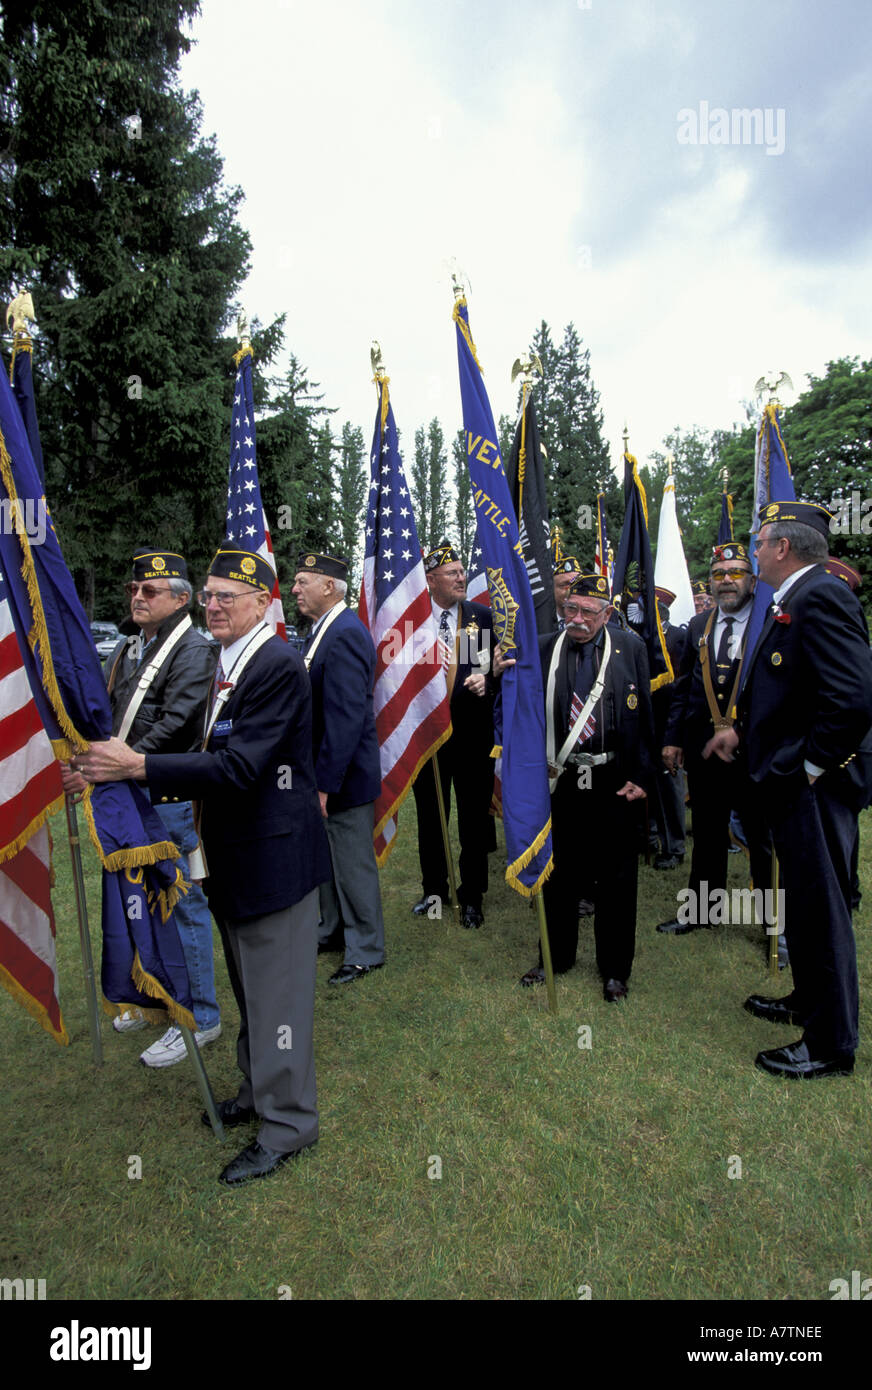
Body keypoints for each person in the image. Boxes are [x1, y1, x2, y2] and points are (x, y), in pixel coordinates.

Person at [77, 547, 331, 1183]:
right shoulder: (229, 661)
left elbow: (241, 769)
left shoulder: (272, 664)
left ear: (263, 603)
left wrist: (137, 766)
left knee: (278, 1004)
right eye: (210, 595)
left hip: (273, 863)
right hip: (234, 859)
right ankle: (256, 1095)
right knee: (252, 992)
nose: (213, 606)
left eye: (227, 597)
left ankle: (289, 1125)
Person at [706, 502, 872, 1079]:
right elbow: (792, 691)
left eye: (759, 542)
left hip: (816, 789)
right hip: (791, 783)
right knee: (802, 901)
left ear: (782, 547)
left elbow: (851, 699)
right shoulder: (798, 596)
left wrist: (810, 768)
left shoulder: (822, 595)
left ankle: (830, 1044)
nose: (752, 553)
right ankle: (808, 1000)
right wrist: (741, 735)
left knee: (823, 910)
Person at [63, 546, 221, 1066]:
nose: (137, 597)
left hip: (168, 798)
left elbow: (176, 722)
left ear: (179, 599)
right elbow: (110, 719)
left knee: (183, 904)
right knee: (136, 899)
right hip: (127, 796)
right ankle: (155, 994)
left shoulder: (194, 650)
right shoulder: (130, 648)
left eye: (149, 590)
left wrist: (117, 765)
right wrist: (89, 764)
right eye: (134, 589)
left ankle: (201, 1015)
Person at [499, 573, 654, 999]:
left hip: (613, 778)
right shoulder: (545, 646)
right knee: (557, 872)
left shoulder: (631, 648)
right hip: (559, 778)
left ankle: (615, 968)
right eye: (571, 609)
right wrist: (498, 668)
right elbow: (514, 694)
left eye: (589, 611)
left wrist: (643, 776)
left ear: (607, 614)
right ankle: (556, 955)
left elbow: (646, 720)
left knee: (617, 877)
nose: (578, 618)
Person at [657, 544, 773, 946]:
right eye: (719, 573)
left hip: (755, 751)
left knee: (762, 838)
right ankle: (704, 912)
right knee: (707, 833)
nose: (726, 580)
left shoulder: (769, 622)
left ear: (753, 580)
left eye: (736, 572)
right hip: (705, 750)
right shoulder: (700, 625)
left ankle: (776, 927)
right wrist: (673, 739)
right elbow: (685, 687)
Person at [291, 551, 385, 985]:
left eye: (302, 582)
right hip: (322, 773)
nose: (294, 590)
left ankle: (366, 947)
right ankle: (330, 930)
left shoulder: (345, 633)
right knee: (325, 861)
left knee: (350, 863)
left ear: (329, 586)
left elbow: (346, 719)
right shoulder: (322, 631)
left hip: (342, 777)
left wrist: (326, 784)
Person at [411, 543, 495, 928]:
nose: (462, 577)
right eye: (452, 573)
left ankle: (473, 894)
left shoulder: (479, 617)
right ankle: (434, 891)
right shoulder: (412, 622)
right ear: (430, 581)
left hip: (471, 736)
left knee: (474, 818)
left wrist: (486, 679)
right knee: (432, 817)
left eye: (462, 571)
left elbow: (489, 669)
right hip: (429, 739)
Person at [649, 586, 687, 870]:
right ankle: (649, 837)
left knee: (670, 788)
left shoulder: (679, 637)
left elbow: (683, 688)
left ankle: (674, 846)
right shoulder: (638, 638)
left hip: (668, 725)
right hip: (642, 725)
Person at [553, 555, 581, 630]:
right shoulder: (538, 621)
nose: (570, 590)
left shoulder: (592, 623)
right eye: (564, 585)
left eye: (575, 584)